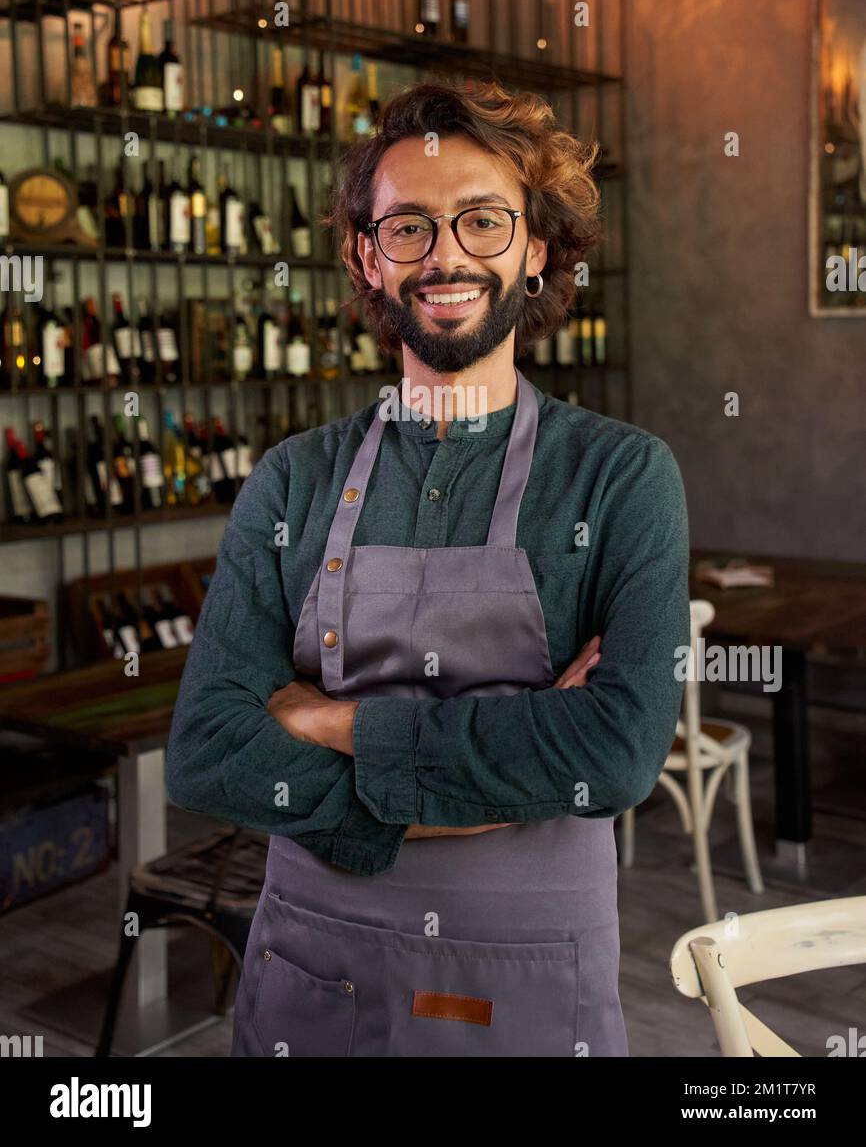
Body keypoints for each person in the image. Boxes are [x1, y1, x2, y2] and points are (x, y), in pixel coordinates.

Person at [166, 77, 690, 1057]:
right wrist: (494, 779)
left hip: (525, 976)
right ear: (368, 256)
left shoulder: (619, 477)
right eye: (407, 227)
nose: (445, 255)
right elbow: (207, 752)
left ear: (534, 247)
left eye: (480, 221)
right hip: (310, 968)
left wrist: (333, 721)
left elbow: (612, 755)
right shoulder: (293, 478)